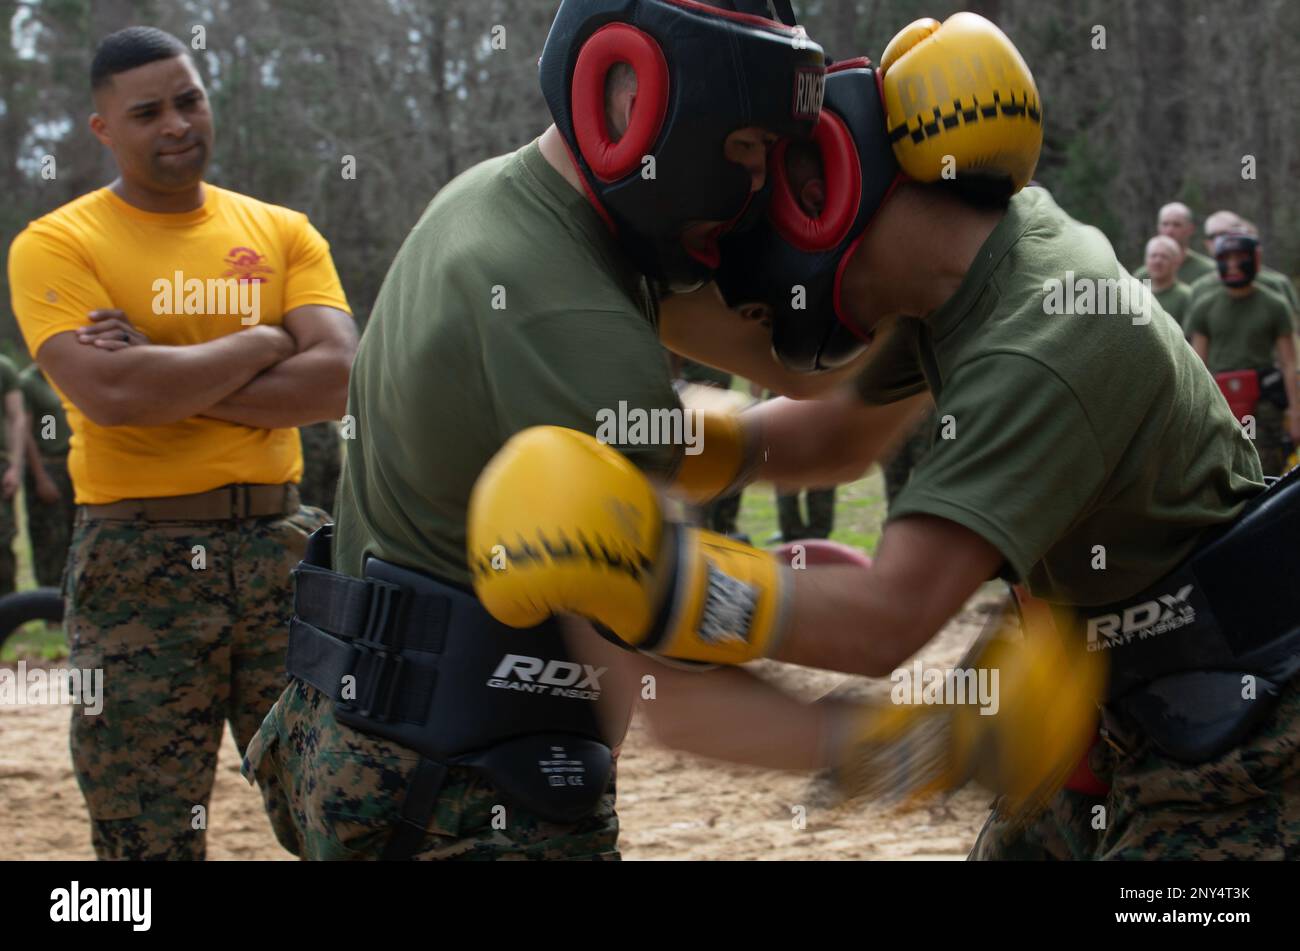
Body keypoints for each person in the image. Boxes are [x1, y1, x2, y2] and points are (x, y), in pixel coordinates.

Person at [473, 13, 1300, 859]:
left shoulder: (1048, 332)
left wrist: (658, 578)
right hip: (1097, 686)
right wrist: (668, 440)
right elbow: (833, 437)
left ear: (825, 187)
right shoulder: (970, 261)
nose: (761, 282)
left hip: (1236, 722)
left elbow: (886, 617)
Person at [242, 0, 841, 861]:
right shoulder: (571, 316)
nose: (755, 185)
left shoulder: (512, 203)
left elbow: (794, 377)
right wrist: (897, 743)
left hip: (366, 739)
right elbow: (676, 690)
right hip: (472, 791)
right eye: (745, 148)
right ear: (632, 104)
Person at [6, 26, 357, 860]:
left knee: (343, 804)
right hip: (136, 559)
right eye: (148, 111)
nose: (176, 123)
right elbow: (116, 395)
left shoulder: (281, 231)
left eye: (188, 99)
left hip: (282, 551)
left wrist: (172, 375)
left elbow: (342, 376)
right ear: (104, 129)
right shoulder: (56, 244)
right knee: (142, 830)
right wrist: (269, 339)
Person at [1186, 232, 1300, 476]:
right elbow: (1197, 366)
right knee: (1225, 467)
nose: (1233, 265)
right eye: (1226, 258)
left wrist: (1296, 412)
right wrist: (1197, 413)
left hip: (1262, 402)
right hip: (1221, 402)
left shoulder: (1275, 304)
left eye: (1241, 258)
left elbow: (1289, 363)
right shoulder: (1204, 305)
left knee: (1261, 467)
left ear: (1255, 259)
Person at [1188, 212, 1299, 330]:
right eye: (1213, 237)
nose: (1219, 241)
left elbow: (1291, 333)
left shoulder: (1276, 284)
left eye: (1225, 234)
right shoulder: (1200, 288)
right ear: (1207, 243)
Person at [18, 362, 76, 587]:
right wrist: (41, 476)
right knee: (50, 537)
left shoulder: (66, 375)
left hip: (72, 464)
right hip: (47, 464)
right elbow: (27, 432)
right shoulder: (29, 383)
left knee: (73, 534)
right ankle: (49, 595)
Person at [1132, 202, 1215, 285]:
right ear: (1158, 228)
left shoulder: (1208, 271)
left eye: (1177, 225)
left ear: (1190, 229)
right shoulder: (1144, 276)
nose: (1169, 231)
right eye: (1165, 224)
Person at [0, 352, 26, 596]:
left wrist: (16, 466)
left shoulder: (5, 368)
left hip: (3, 463)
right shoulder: (32, 380)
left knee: (3, 538)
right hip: (48, 461)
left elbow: (20, 419)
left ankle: (7, 605)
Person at [1140, 235, 1193, 333]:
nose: (1157, 261)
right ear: (1146, 260)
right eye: (1153, 256)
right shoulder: (1136, 295)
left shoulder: (1186, 296)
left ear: (1176, 262)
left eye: (1164, 257)